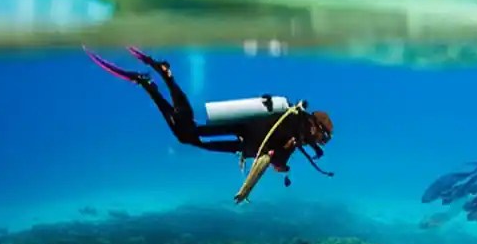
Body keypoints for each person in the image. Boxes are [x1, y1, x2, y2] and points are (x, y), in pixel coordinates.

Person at [84, 46, 334, 201]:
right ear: (317, 127)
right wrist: (252, 186)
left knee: (186, 134)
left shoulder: (295, 125)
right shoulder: (296, 131)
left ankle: (150, 81)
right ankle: (159, 78)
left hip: (242, 131)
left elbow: (272, 152)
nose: (320, 142)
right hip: (243, 138)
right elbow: (270, 159)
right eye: (323, 137)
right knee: (188, 132)